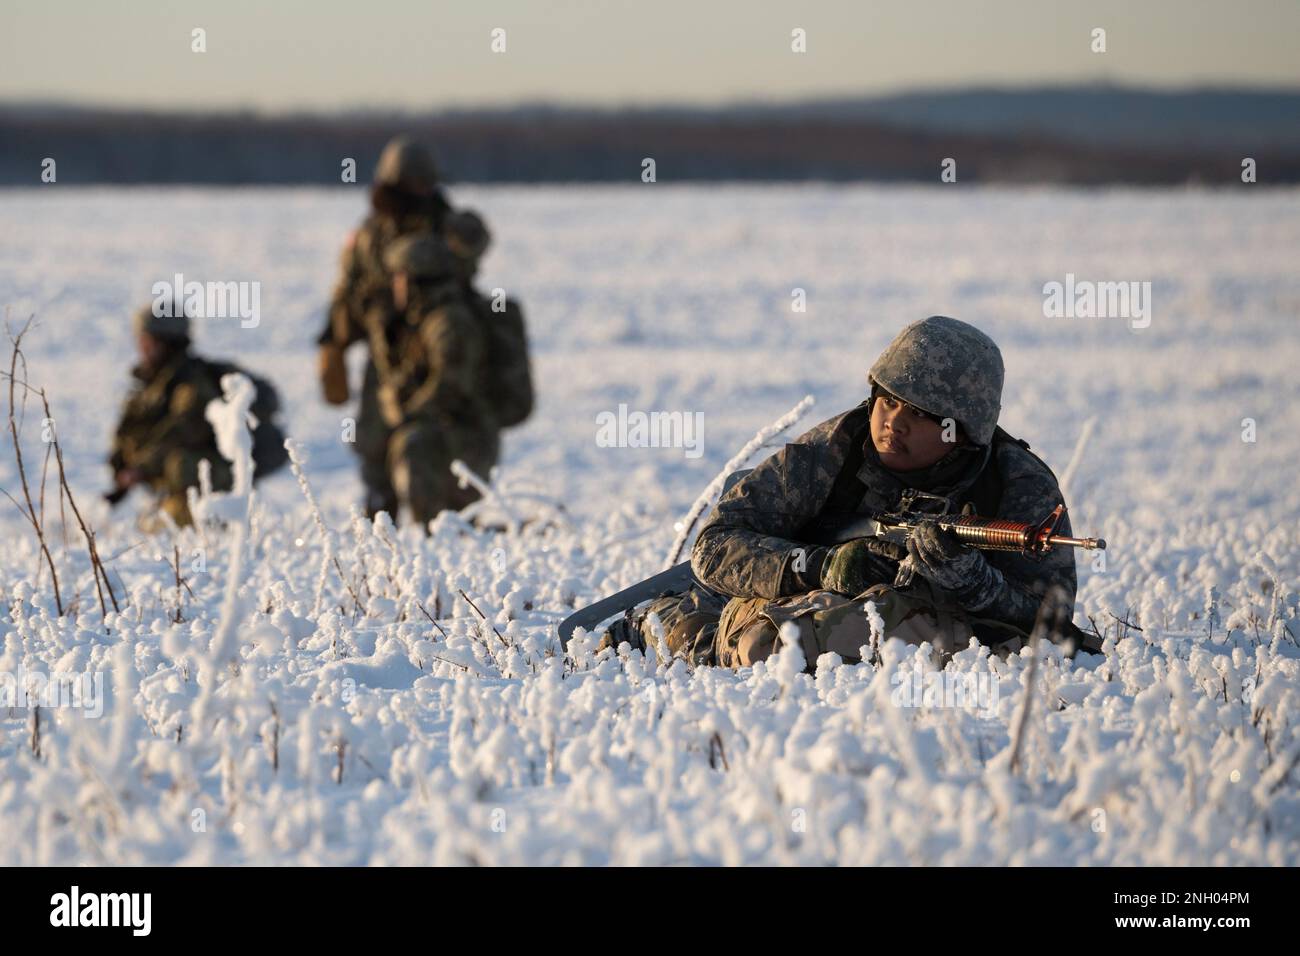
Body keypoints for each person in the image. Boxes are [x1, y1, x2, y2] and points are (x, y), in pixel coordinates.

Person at [601, 315, 1098, 669]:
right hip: (802, 596)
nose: (892, 424)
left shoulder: (1018, 485)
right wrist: (818, 565)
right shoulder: (834, 451)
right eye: (886, 400)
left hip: (927, 621)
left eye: (918, 414)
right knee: (767, 647)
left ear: (961, 431)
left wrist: (972, 582)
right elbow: (714, 546)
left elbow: (1050, 619)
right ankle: (668, 623)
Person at [317, 134, 491, 518]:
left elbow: (475, 245)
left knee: (435, 425)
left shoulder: (446, 223)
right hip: (385, 349)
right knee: (374, 440)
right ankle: (381, 516)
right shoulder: (370, 233)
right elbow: (348, 287)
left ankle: (448, 514)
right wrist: (333, 343)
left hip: (438, 342)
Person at [108, 304, 286, 527]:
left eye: (147, 341)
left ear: (165, 342)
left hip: (217, 475)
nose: (141, 348)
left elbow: (184, 431)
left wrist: (141, 468)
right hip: (184, 484)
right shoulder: (154, 384)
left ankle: (208, 521)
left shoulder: (192, 383)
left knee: (180, 464)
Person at [372, 234, 500, 526]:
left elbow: (451, 385)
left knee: (413, 446)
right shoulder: (421, 320)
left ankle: (440, 548)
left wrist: (408, 415)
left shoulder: (448, 323)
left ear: (415, 279)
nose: (395, 285)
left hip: (465, 440)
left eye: (399, 277)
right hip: (450, 438)